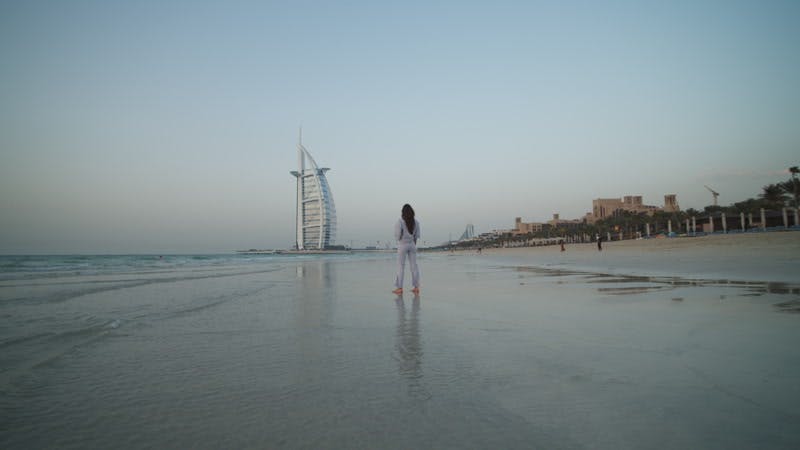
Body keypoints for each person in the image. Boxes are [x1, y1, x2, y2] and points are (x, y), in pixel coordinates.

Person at [393, 204, 420, 295]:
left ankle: (399, 288)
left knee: (401, 266)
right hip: (412, 244)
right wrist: (412, 243)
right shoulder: (416, 222)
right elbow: (416, 236)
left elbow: (397, 236)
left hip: (402, 244)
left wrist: (401, 239)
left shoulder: (400, 221)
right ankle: (416, 287)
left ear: (403, 212)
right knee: (414, 266)